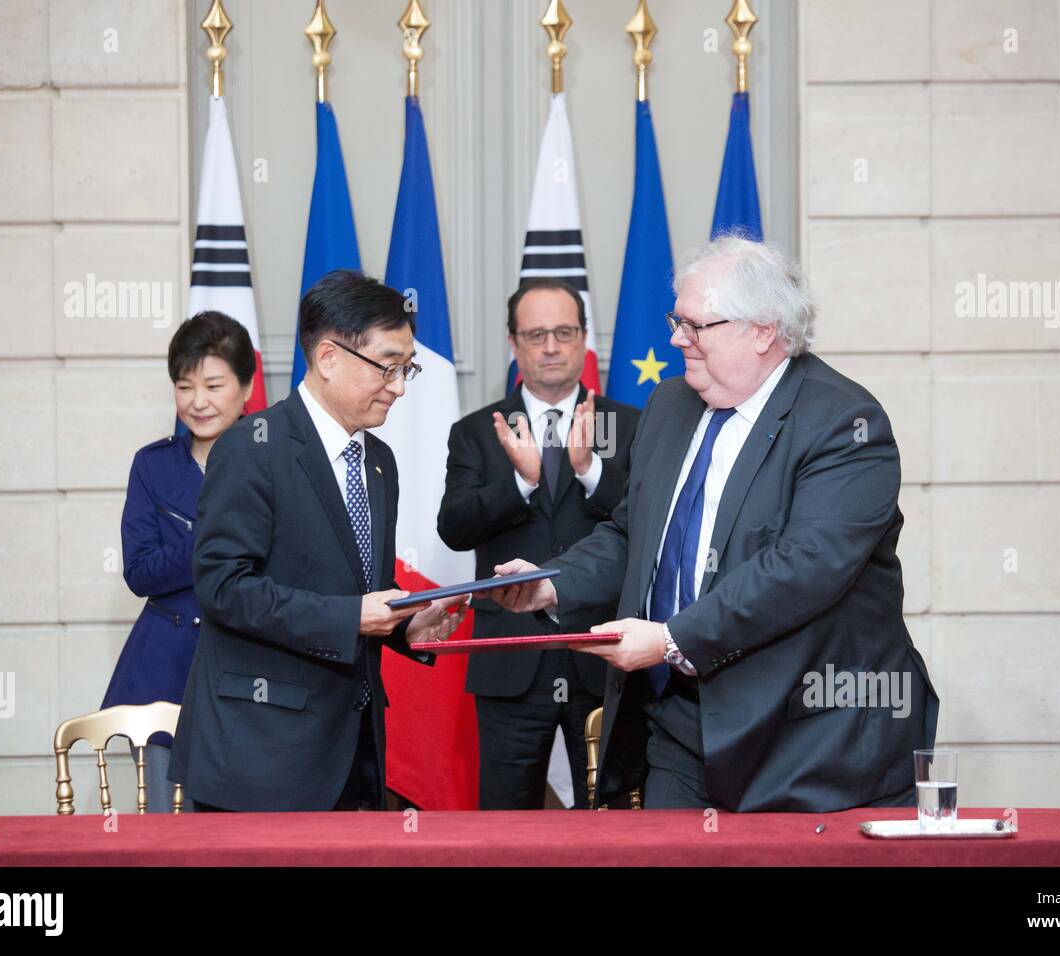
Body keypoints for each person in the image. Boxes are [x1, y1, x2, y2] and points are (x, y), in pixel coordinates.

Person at [487, 234, 940, 812]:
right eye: (679, 320)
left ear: (763, 331)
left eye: (696, 326)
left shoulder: (845, 424)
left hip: (810, 740)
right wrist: (552, 583)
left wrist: (671, 640)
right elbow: (634, 537)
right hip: (678, 728)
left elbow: (804, 568)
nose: (677, 338)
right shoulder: (671, 405)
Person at [168, 270, 467, 812]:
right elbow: (223, 588)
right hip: (260, 756)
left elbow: (358, 585)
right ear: (329, 358)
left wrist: (407, 622)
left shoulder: (378, 461)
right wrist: (350, 616)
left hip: (354, 751)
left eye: (408, 369)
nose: (400, 386)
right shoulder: (251, 448)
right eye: (389, 367)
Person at [438, 279, 640, 809]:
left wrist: (589, 469)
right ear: (513, 343)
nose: (550, 346)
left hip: (602, 657)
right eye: (535, 335)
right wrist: (519, 484)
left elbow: (649, 525)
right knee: (505, 827)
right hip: (510, 664)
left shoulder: (630, 424)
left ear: (583, 339)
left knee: (609, 822)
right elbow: (453, 527)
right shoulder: (477, 431)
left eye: (563, 332)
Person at [101, 310, 256, 813]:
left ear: (247, 385)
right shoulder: (153, 464)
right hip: (164, 671)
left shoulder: (275, 460)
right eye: (185, 386)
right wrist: (212, 539)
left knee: (250, 834)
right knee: (172, 833)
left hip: (251, 669)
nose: (198, 401)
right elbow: (141, 571)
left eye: (213, 384)